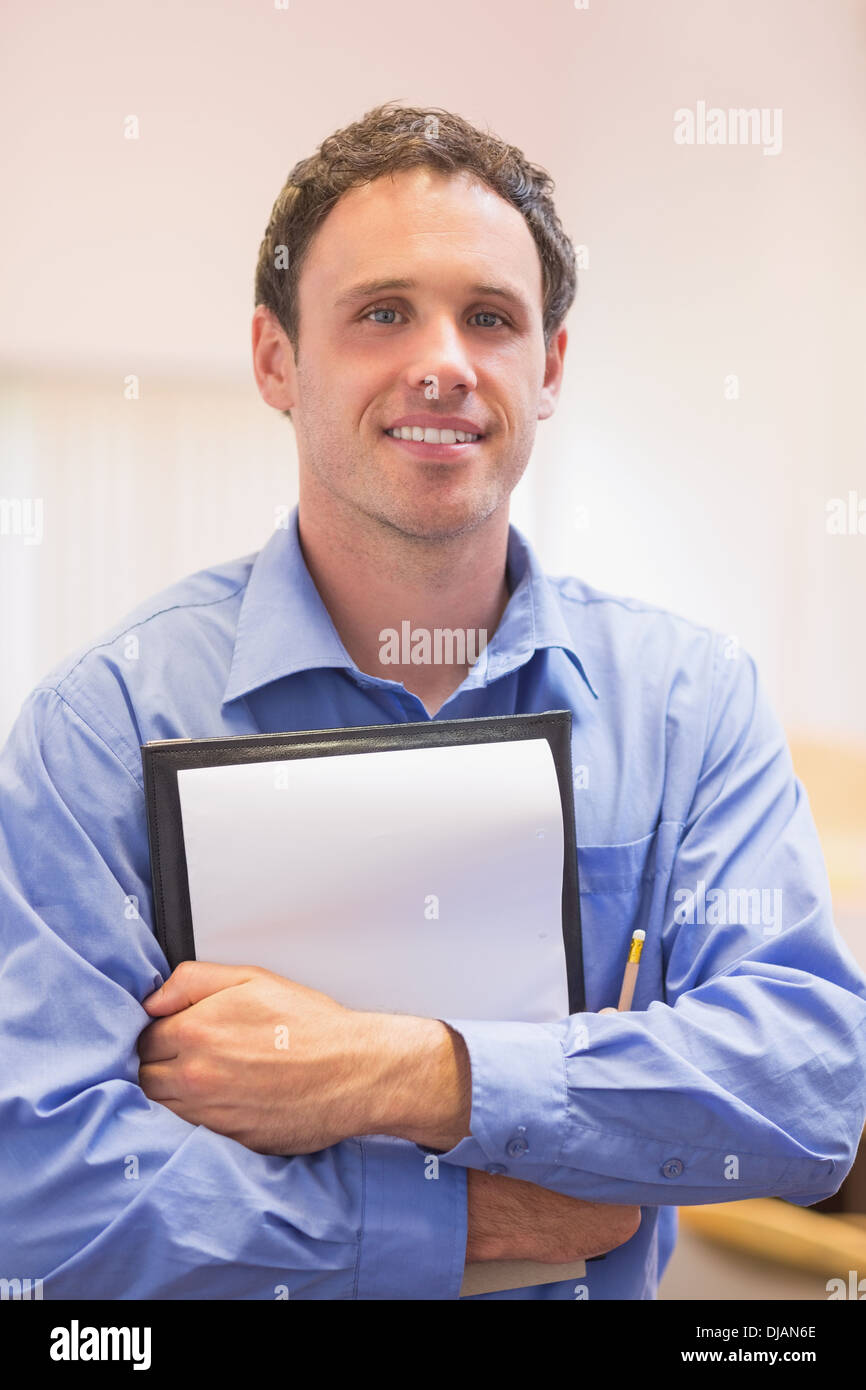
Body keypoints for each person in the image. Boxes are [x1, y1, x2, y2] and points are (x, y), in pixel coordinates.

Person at [2, 101, 865, 1302]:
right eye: (381, 313)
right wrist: (474, 1220)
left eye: (491, 318)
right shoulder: (98, 728)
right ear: (275, 359)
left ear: (547, 367)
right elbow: (36, 1191)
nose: (444, 361)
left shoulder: (688, 703)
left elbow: (808, 1090)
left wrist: (400, 1072)